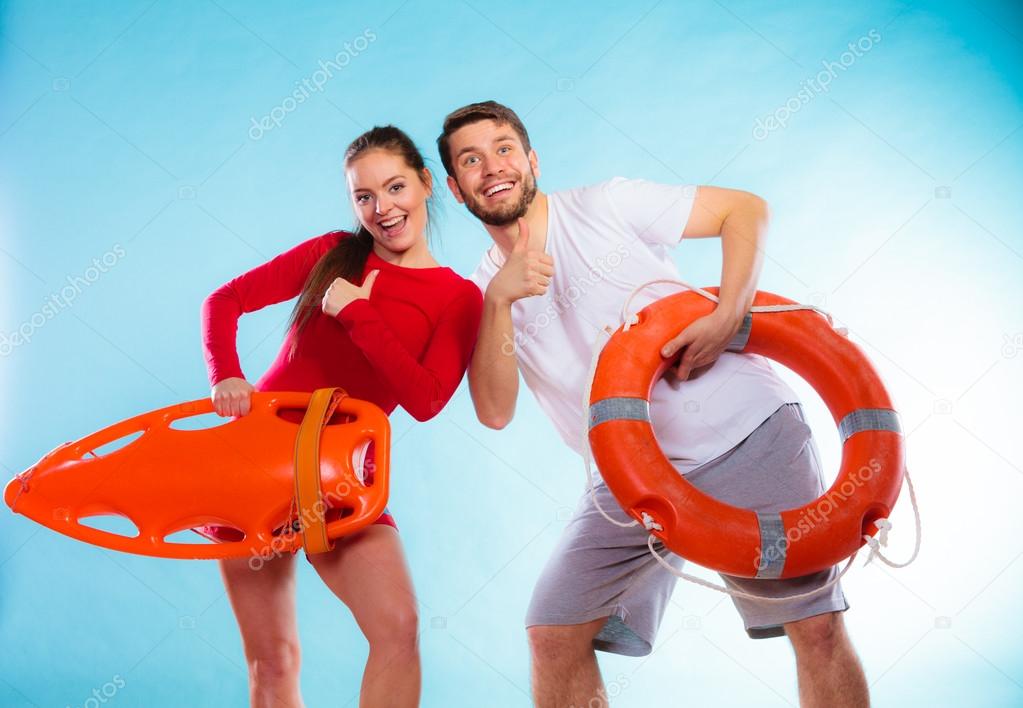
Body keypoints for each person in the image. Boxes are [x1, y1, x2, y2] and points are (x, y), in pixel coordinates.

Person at [437, 101, 869, 707]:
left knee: (815, 627)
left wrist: (729, 315)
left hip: (745, 429)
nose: (492, 167)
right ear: (455, 188)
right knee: (553, 634)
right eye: (471, 160)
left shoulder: (606, 205)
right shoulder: (482, 292)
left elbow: (744, 210)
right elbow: (494, 411)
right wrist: (499, 302)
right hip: (629, 476)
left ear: (532, 159)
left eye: (504, 148)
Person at [198, 125, 482, 708]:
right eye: (364, 196)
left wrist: (359, 314)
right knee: (273, 661)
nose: (383, 209)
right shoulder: (333, 253)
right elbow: (223, 301)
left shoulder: (458, 297)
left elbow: (426, 400)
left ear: (426, 183)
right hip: (255, 464)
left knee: (398, 630)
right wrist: (225, 374)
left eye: (396, 187)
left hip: (341, 480)